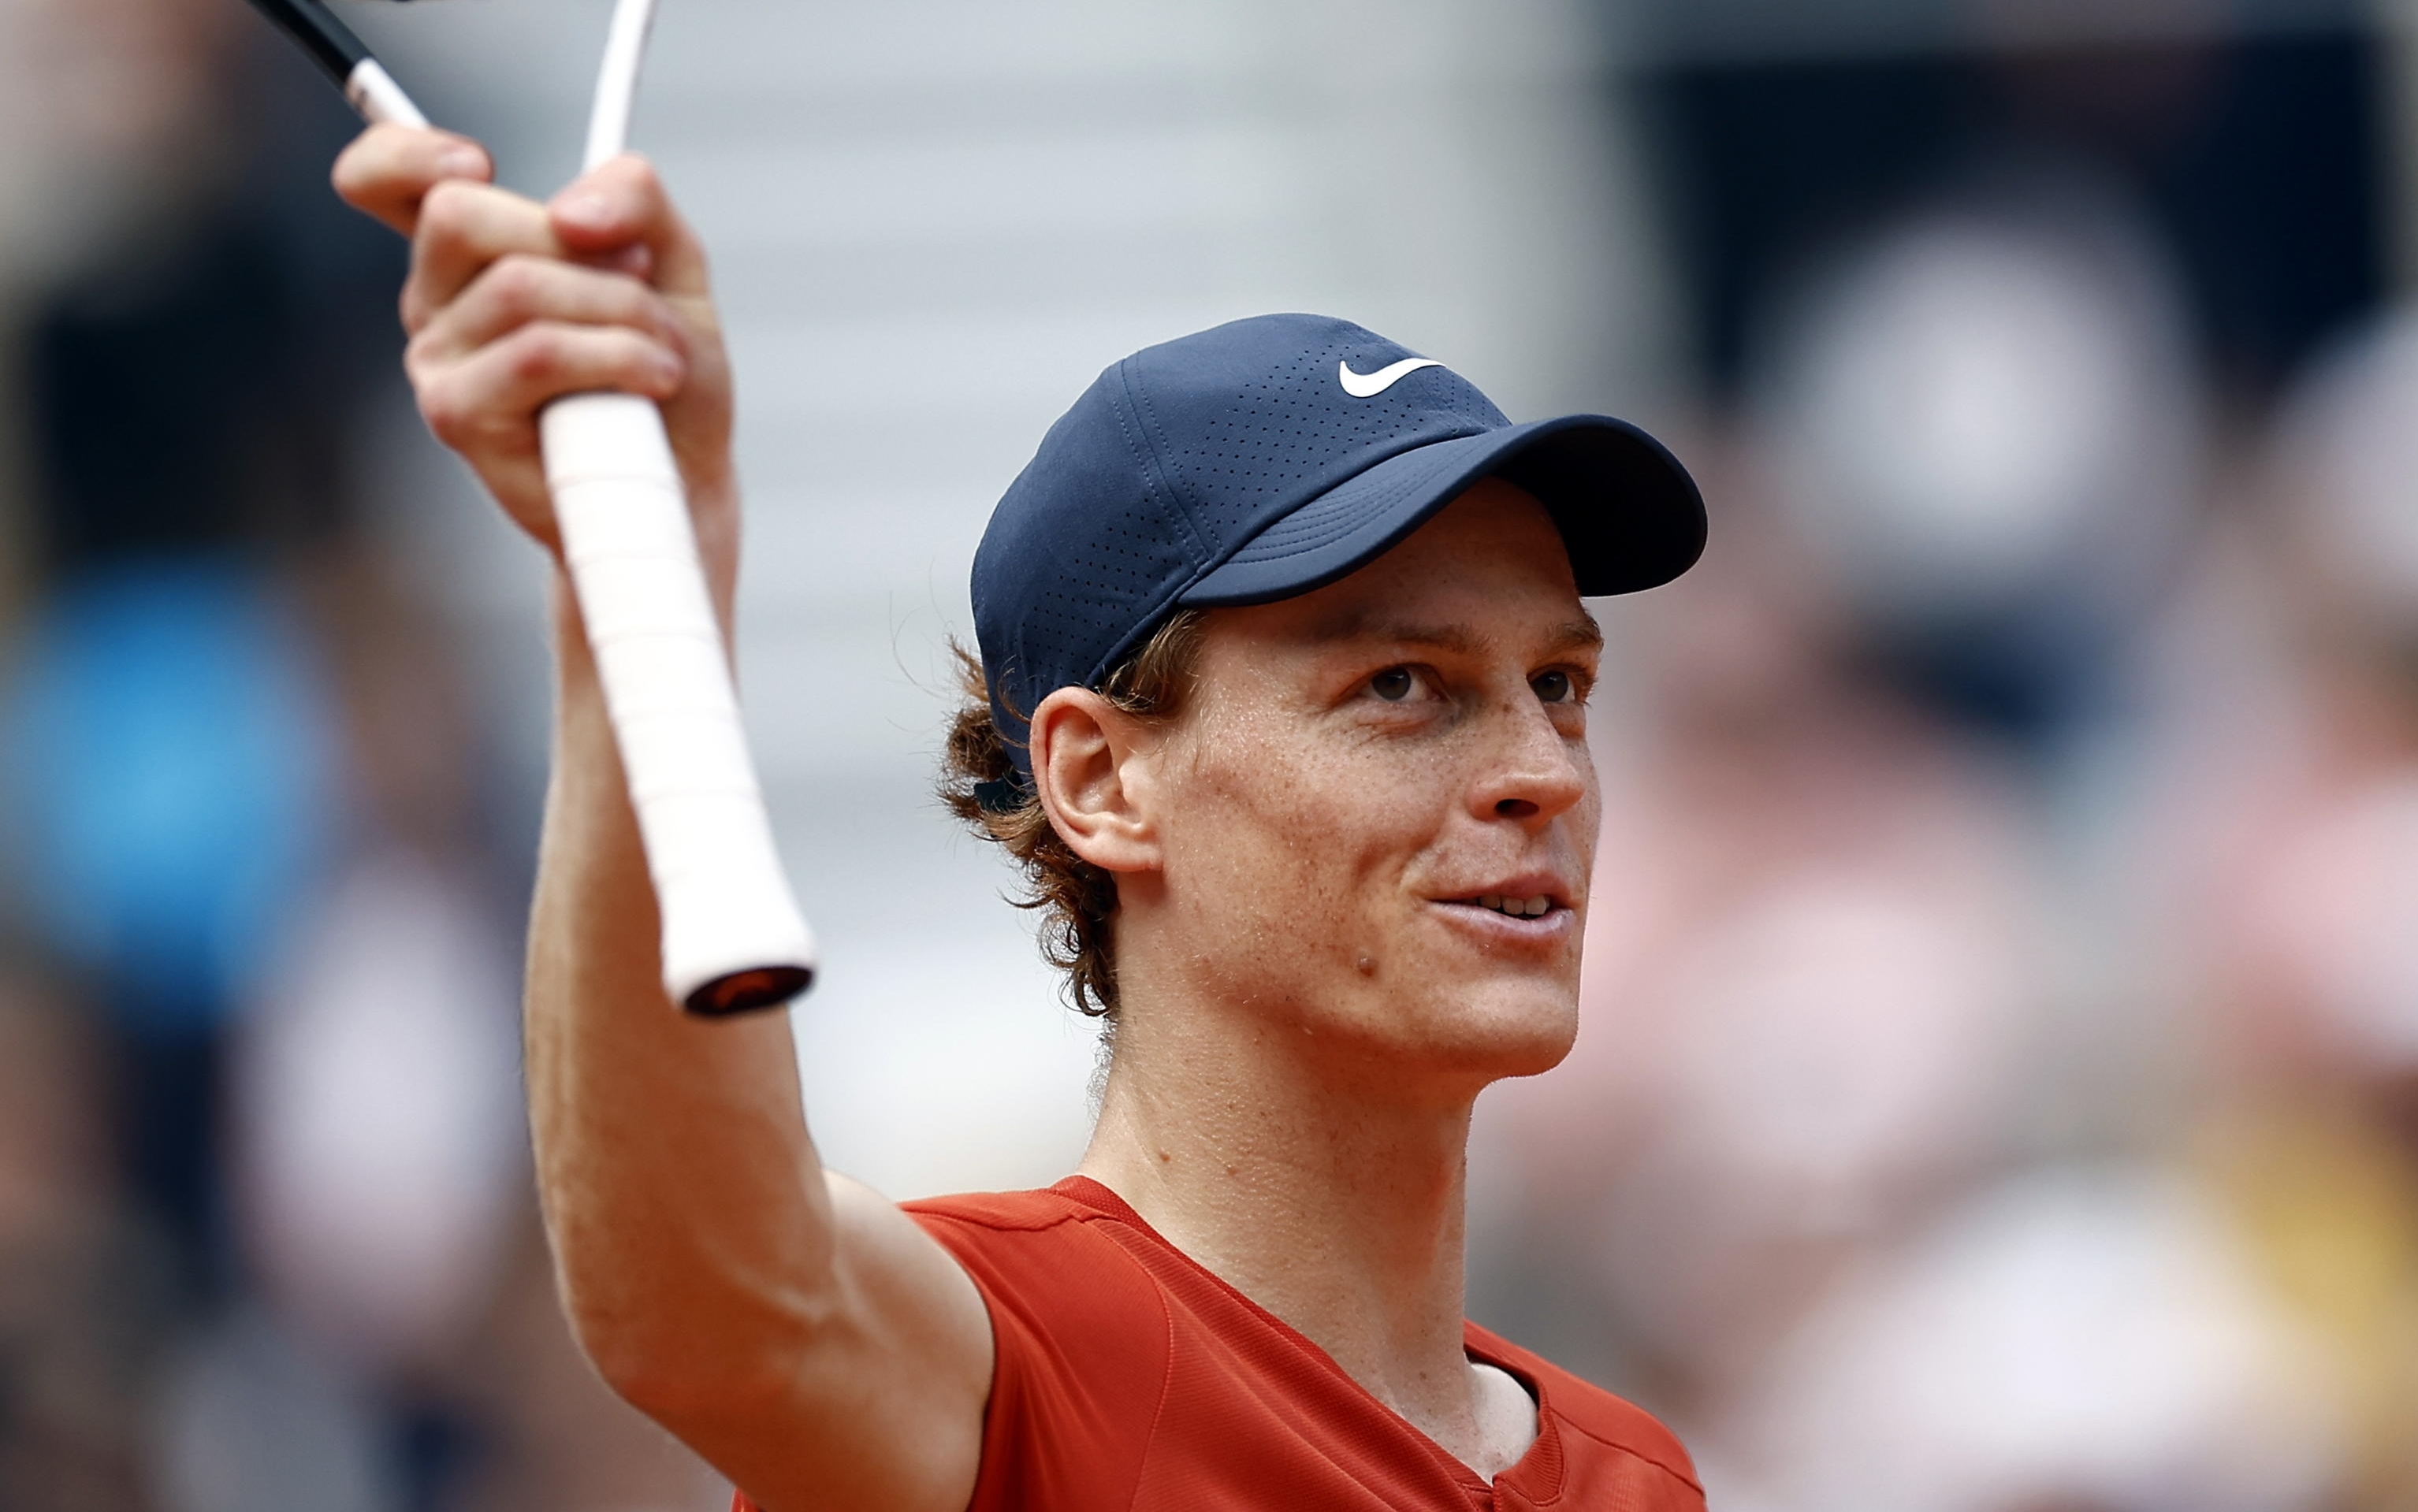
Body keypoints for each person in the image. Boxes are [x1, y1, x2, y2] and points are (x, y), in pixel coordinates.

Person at [329, 123, 1709, 1512]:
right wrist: (638, 570)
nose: (1545, 768)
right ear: (1103, 782)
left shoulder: (1637, 1478)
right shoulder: (1006, 1357)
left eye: (1561, 683)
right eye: (1402, 684)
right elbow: (698, 1291)